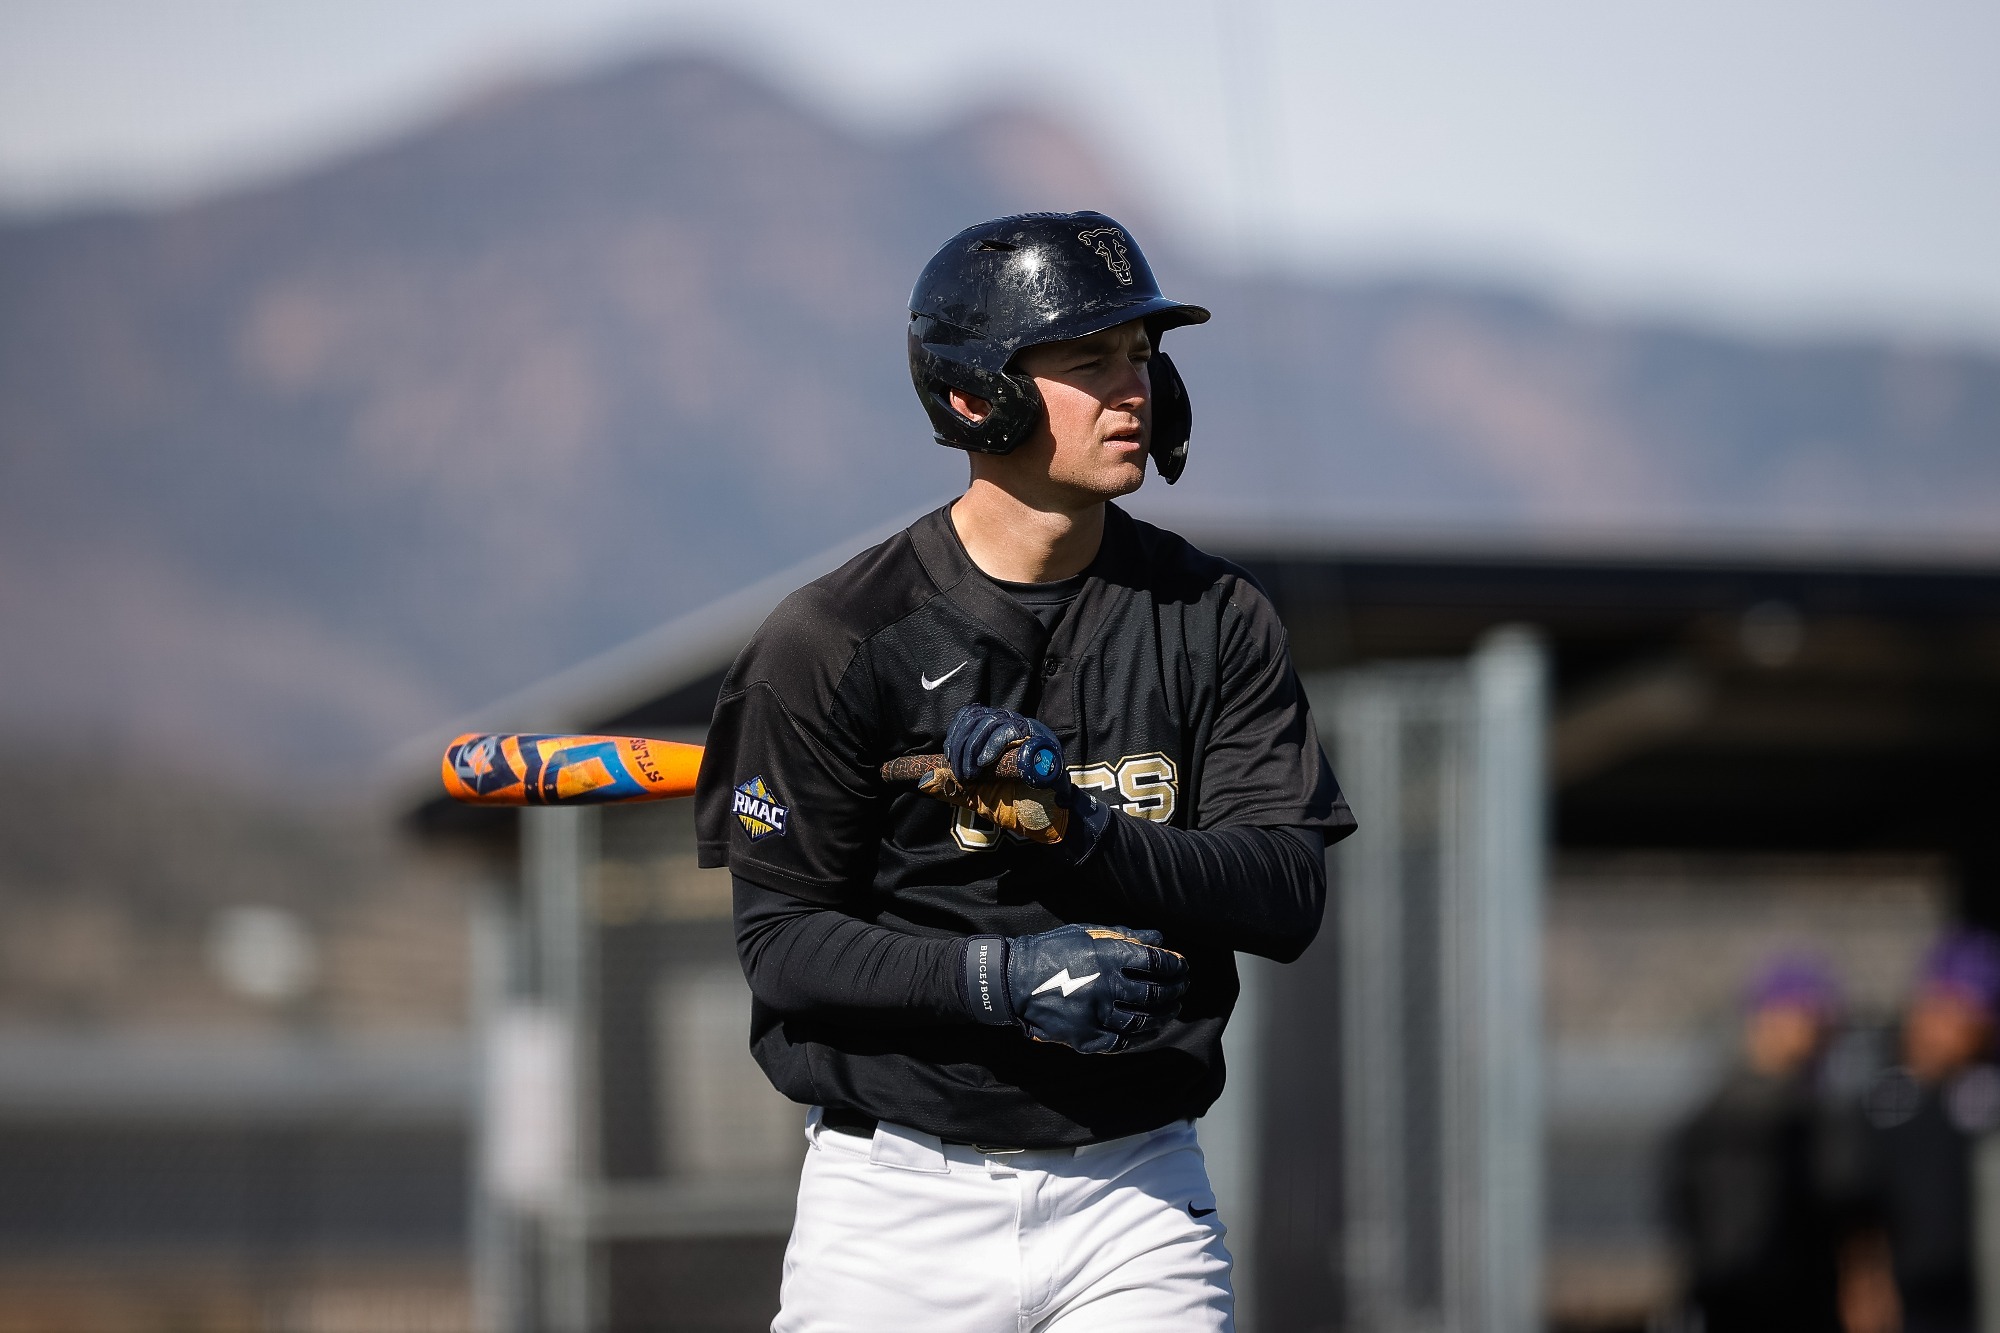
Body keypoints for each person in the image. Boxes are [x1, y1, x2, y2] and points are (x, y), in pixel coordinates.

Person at [694, 211, 1354, 1332]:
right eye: (1088, 359)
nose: (1131, 388)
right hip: (895, 1204)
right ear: (974, 394)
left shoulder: (1214, 616)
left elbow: (1283, 893)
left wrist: (1078, 832)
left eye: (1142, 357)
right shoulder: (834, 641)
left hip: (1133, 1192)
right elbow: (782, 946)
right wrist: (998, 979)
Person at [1664, 954, 1851, 1333]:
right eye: (1811, 1015)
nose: (1825, 1030)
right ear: (1769, 1018)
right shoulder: (1751, 1117)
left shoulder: (1804, 1107)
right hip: (1764, 1307)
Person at [1841, 929, 2000, 1333]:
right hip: (1909, 1296)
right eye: (1948, 1010)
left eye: (1975, 1014)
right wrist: (1866, 1284)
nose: (1957, 1026)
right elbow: (1861, 1202)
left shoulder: (1984, 1096)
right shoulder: (1887, 1098)